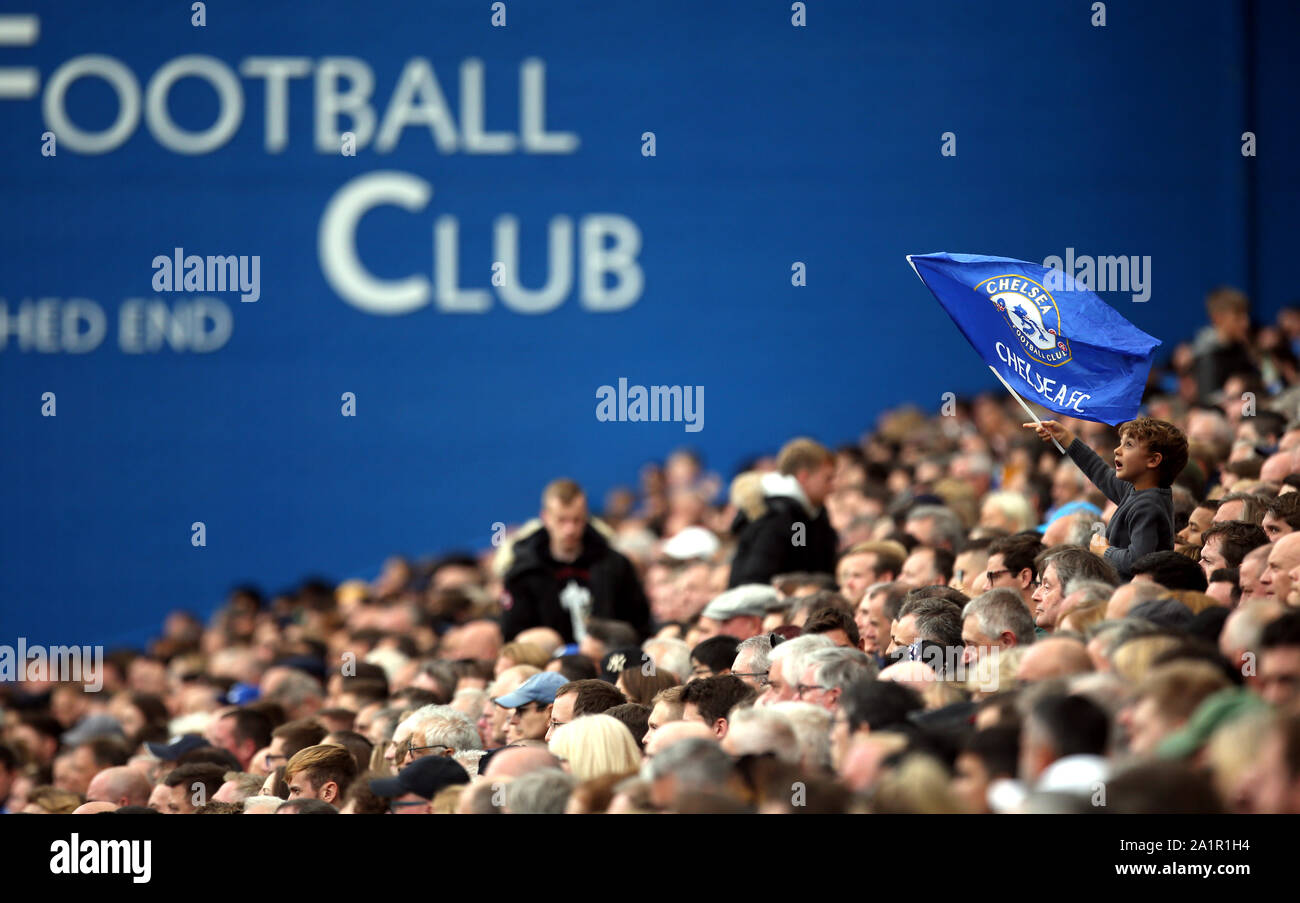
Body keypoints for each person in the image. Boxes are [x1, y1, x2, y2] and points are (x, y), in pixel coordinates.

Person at [1026, 417, 1188, 578]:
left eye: (1129, 445)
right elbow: (1098, 470)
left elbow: (1139, 561)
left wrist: (1104, 551)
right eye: (1121, 443)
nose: (1117, 450)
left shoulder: (1148, 505)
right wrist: (1066, 437)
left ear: (1153, 460)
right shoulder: (1135, 491)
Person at [500, 478, 651, 643]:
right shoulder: (523, 572)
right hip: (544, 662)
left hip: (609, 656)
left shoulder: (615, 565)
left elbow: (639, 623)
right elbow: (513, 634)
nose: (570, 529)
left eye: (576, 520)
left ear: (586, 517)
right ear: (546, 518)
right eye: (562, 520)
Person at [728, 438, 837, 587]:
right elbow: (756, 580)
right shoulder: (779, 519)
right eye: (828, 478)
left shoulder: (810, 516)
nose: (833, 487)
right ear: (804, 477)